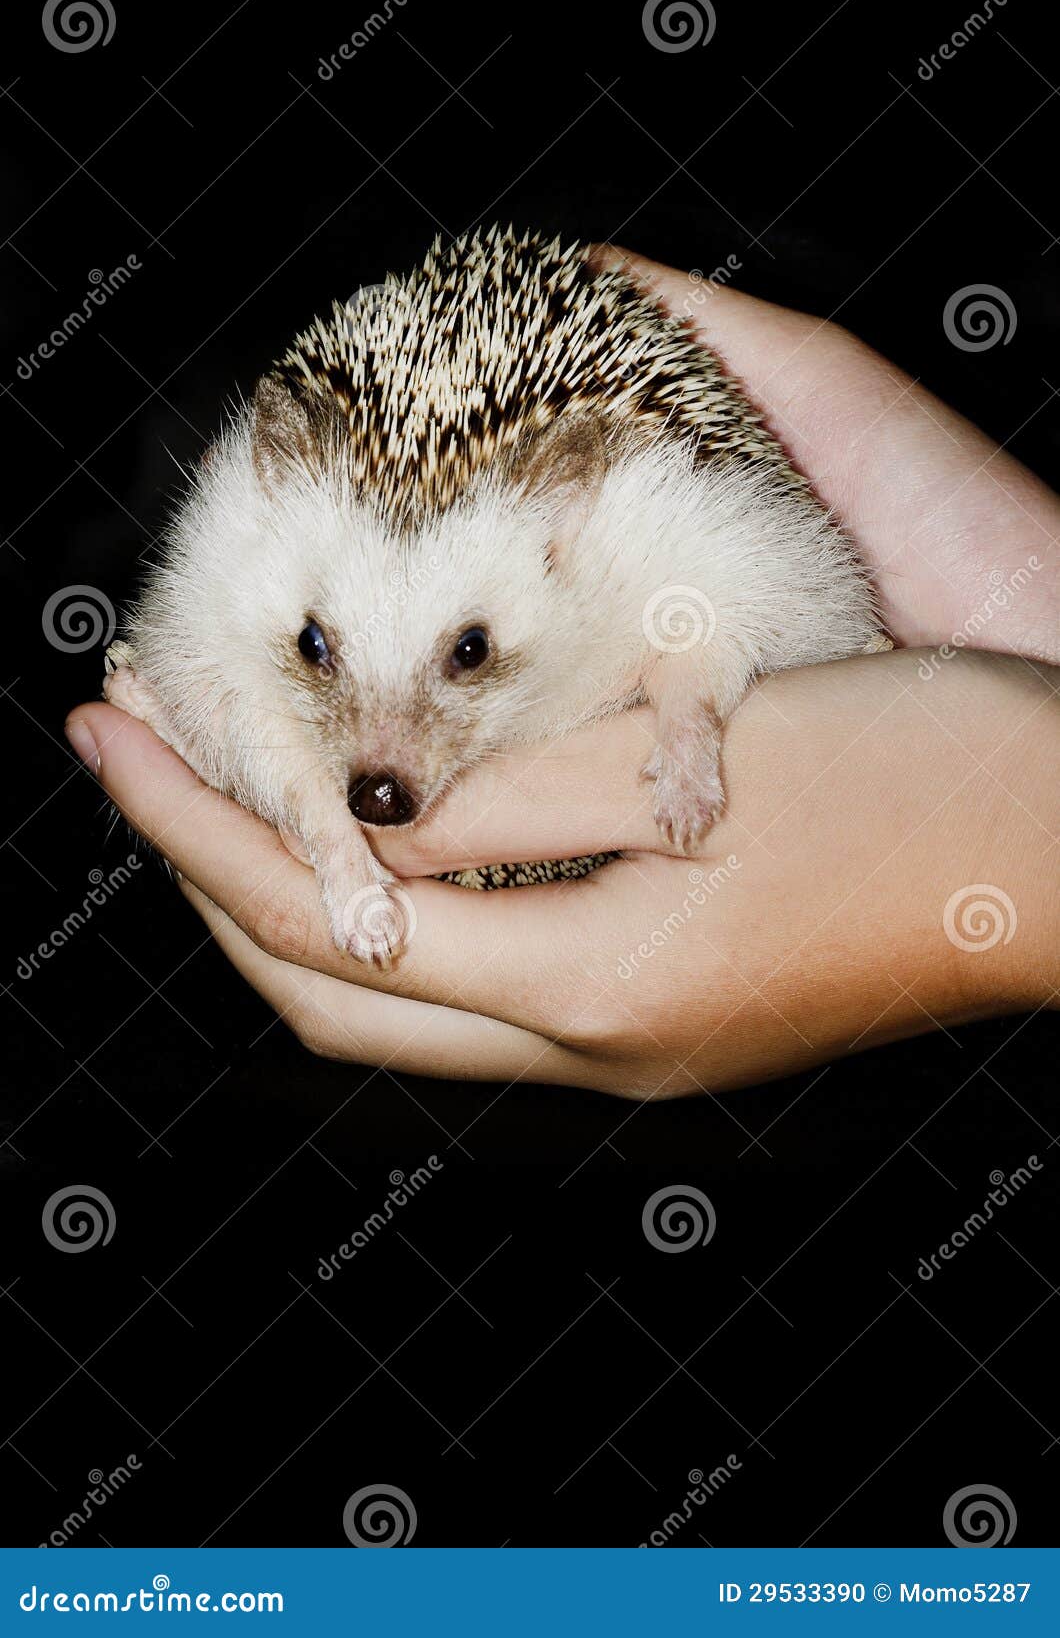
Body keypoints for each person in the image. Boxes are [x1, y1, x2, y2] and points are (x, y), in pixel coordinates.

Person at [64, 247, 1060, 1099]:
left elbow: (767, 604)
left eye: (465, 654)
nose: (382, 761)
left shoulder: (643, 524)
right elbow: (201, 644)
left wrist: (1004, 834)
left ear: (564, 522)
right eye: (321, 651)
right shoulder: (247, 530)